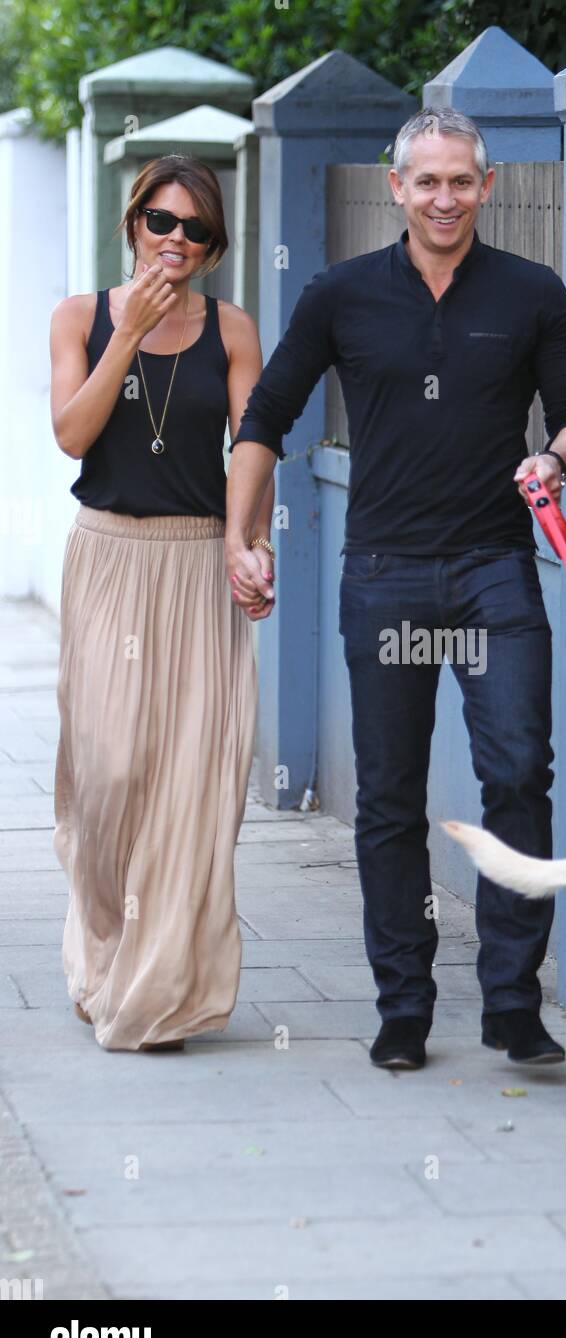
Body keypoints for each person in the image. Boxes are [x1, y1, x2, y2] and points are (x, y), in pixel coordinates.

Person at [226, 108, 566, 1070]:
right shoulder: (341, 294)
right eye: (425, 182)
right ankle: (403, 1007)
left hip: (495, 572)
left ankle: (515, 1002)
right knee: (390, 796)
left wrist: (552, 463)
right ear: (396, 187)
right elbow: (266, 413)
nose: (444, 198)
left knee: (518, 773)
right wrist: (240, 533)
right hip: (385, 571)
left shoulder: (532, 292)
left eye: (460, 182)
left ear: (486, 185)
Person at [49, 155, 275, 1051]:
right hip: (109, 557)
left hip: (194, 565)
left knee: (190, 785)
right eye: (161, 222)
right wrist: (127, 335)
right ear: (132, 221)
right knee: (107, 775)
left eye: (195, 230)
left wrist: (251, 545)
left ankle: (162, 993)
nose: (175, 241)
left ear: (213, 248)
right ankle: (105, 949)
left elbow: (253, 448)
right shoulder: (79, 317)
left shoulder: (233, 328)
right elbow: (72, 434)